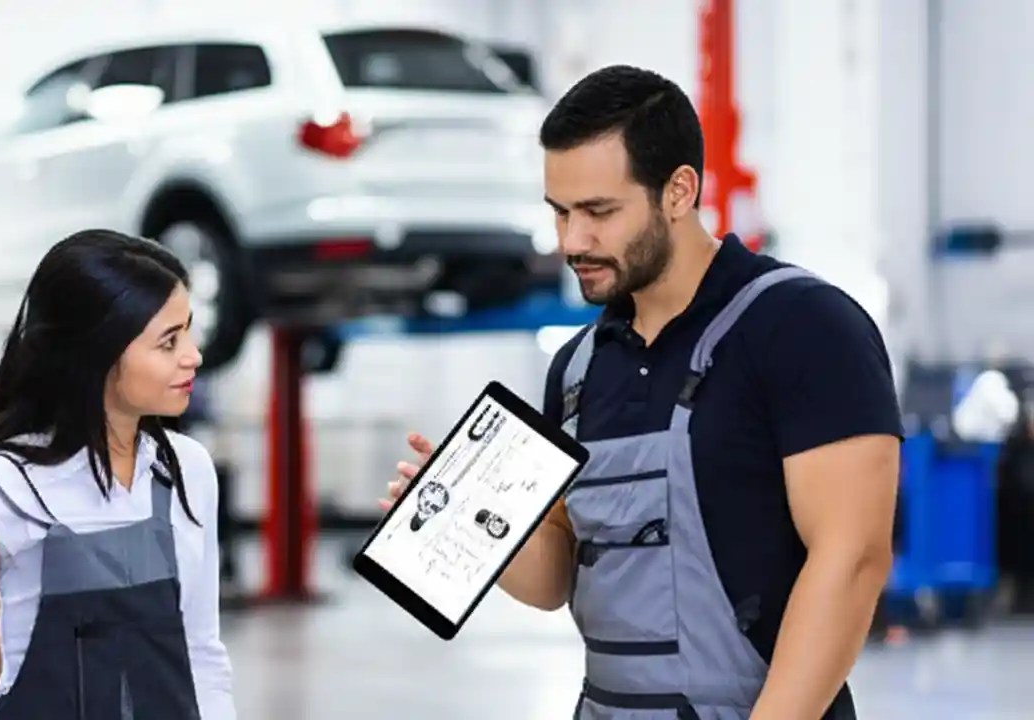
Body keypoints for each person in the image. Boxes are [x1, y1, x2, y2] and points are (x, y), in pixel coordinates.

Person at [384, 65, 901, 719]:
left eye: (599, 212)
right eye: (560, 212)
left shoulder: (804, 327)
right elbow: (555, 578)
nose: (572, 241)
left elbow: (852, 559)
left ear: (679, 191)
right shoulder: (578, 369)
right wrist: (467, 519)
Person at [0, 229, 236, 719]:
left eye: (187, 331)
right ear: (98, 354)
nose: (194, 355)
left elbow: (202, 655)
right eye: (169, 342)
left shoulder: (185, 471)